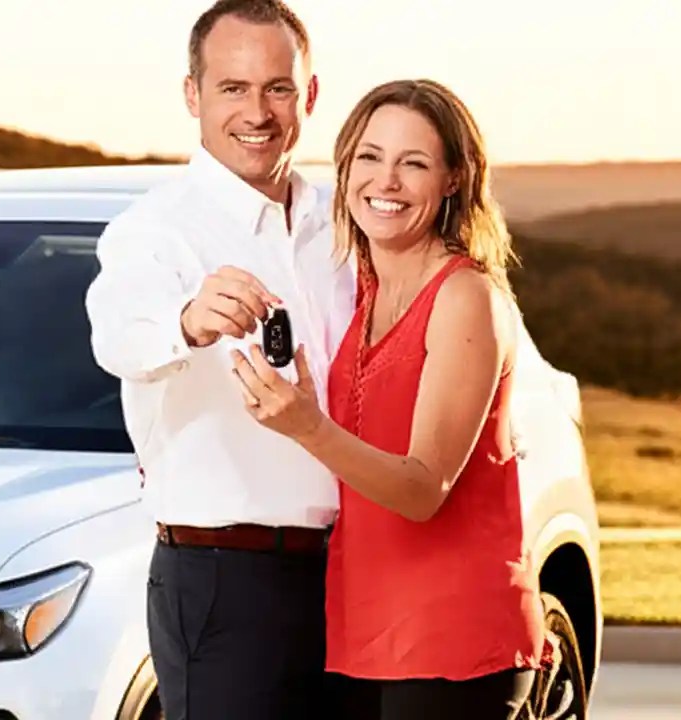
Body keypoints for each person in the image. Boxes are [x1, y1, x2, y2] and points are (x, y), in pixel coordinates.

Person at [230, 78, 548, 719]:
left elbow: (422, 488)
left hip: (450, 640)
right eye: (370, 157)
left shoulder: (464, 298)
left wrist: (308, 426)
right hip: (365, 633)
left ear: (455, 179)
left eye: (415, 163)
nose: (387, 181)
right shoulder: (366, 294)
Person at [84, 1, 355, 718]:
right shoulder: (152, 232)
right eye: (233, 88)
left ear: (310, 95)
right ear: (192, 96)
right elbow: (117, 337)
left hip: (363, 570)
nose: (257, 112)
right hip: (226, 582)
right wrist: (185, 322)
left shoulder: (347, 220)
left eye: (278, 88)